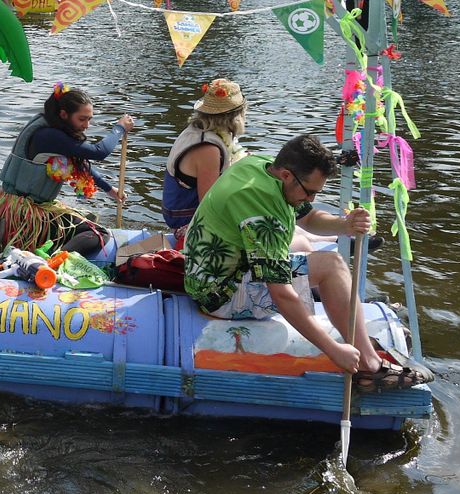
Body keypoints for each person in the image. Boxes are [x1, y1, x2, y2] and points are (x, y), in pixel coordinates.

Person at [182, 134, 432, 393]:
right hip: (220, 296)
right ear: (287, 175)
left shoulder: (259, 165)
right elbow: (282, 294)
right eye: (310, 191)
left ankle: (355, 336)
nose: (312, 199)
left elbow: (309, 218)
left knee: (306, 248)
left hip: (210, 275)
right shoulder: (261, 207)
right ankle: (370, 365)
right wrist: (333, 350)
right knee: (331, 265)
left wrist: (344, 225)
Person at [0, 84, 134, 256]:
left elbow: (80, 163)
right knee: (99, 234)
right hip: (25, 213)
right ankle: (53, 261)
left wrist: (109, 189)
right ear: (64, 114)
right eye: (82, 119)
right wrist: (119, 128)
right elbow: (98, 152)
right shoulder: (49, 135)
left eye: (89, 119)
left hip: (15, 205)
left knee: (88, 219)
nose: (87, 125)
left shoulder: (48, 125)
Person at [162, 78, 248, 232]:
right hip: (186, 220)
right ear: (237, 116)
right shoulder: (208, 149)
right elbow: (208, 205)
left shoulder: (199, 130)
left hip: (186, 213)